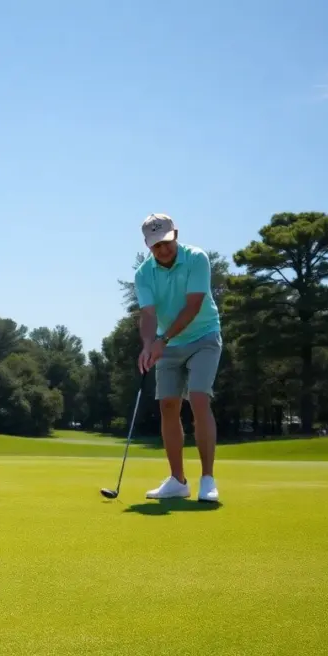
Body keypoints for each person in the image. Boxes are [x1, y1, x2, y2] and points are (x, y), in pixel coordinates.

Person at [134, 213, 223, 502]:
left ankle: (207, 479)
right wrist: (148, 345)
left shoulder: (197, 259)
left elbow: (193, 306)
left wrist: (163, 340)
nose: (163, 249)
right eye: (156, 245)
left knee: (198, 398)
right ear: (148, 246)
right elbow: (148, 315)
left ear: (176, 234)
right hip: (167, 344)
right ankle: (178, 480)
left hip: (203, 337)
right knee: (168, 405)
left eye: (166, 242)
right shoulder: (143, 274)